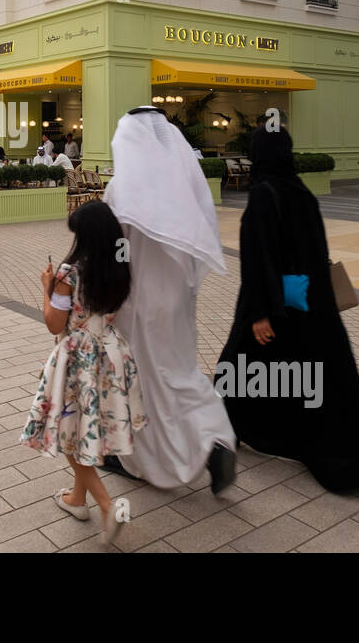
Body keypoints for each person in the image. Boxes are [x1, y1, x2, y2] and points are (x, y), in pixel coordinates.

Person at [218, 125, 359, 493]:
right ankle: (357, 461)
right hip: (312, 308)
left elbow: (258, 258)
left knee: (237, 370)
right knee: (325, 380)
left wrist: (260, 313)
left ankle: (224, 435)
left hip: (273, 308)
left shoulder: (264, 194)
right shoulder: (300, 191)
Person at [103, 107, 236, 492]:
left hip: (136, 304)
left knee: (142, 381)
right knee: (179, 372)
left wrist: (106, 299)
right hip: (177, 301)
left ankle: (141, 459)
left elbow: (116, 253)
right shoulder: (182, 187)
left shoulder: (121, 190)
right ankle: (213, 437)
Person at [21, 200, 145, 545]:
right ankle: (78, 499)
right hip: (111, 352)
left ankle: (107, 506)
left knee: (67, 435)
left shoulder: (68, 272)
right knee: (82, 428)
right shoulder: (120, 266)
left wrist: (46, 287)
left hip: (77, 357)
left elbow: (53, 323)